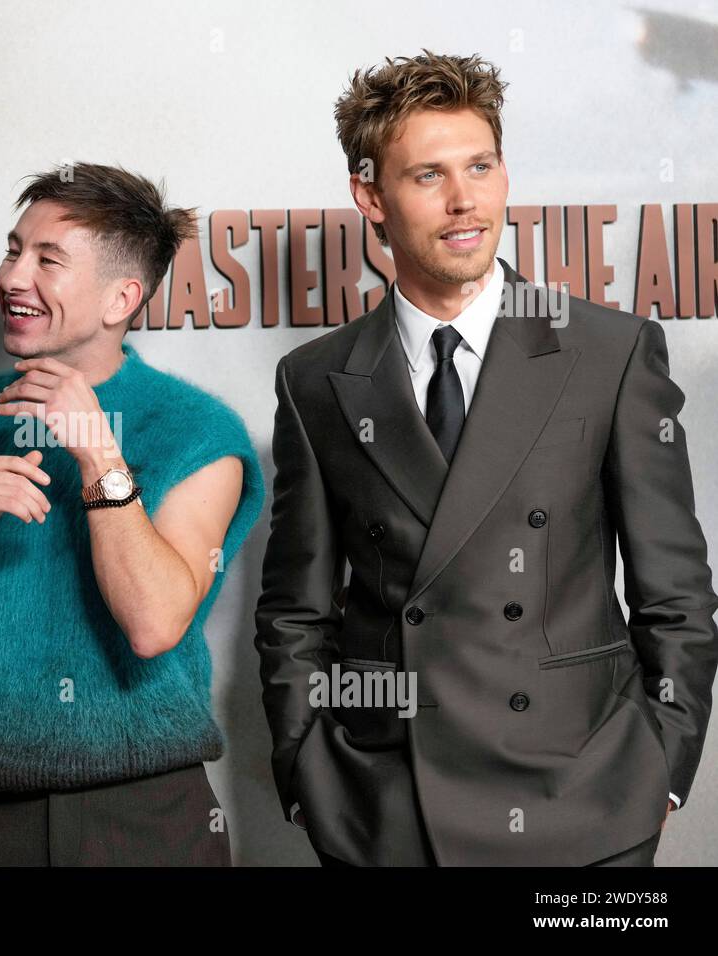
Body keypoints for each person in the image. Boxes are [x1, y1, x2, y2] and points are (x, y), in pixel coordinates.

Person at [255, 50, 718, 866]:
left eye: (481, 165)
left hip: (585, 802)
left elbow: (675, 595)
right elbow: (296, 611)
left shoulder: (607, 351)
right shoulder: (316, 380)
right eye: (428, 175)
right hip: (387, 811)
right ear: (371, 196)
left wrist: (662, 769)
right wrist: (305, 771)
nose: (465, 200)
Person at [0, 163, 264, 865]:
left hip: (152, 814)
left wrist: (97, 454)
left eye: (47, 260)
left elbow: (153, 626)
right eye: (12, 251)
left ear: (122, 298)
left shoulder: (198, 432)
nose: (12, 277)